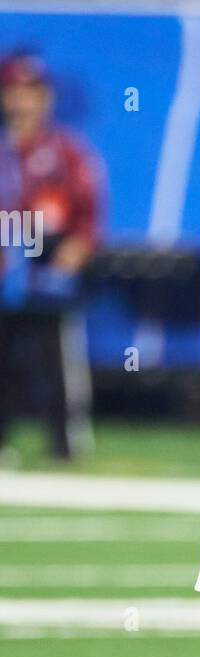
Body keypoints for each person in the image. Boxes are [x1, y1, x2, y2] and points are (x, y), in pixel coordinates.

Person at [0, 53, 101, 459]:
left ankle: (65, 443)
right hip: (6, 271)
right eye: (18, 92)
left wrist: (74, 253)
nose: (26, 102)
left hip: (46, 275)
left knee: (55, 364)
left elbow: (89, 215)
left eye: (35, 92)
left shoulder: (67, 151)